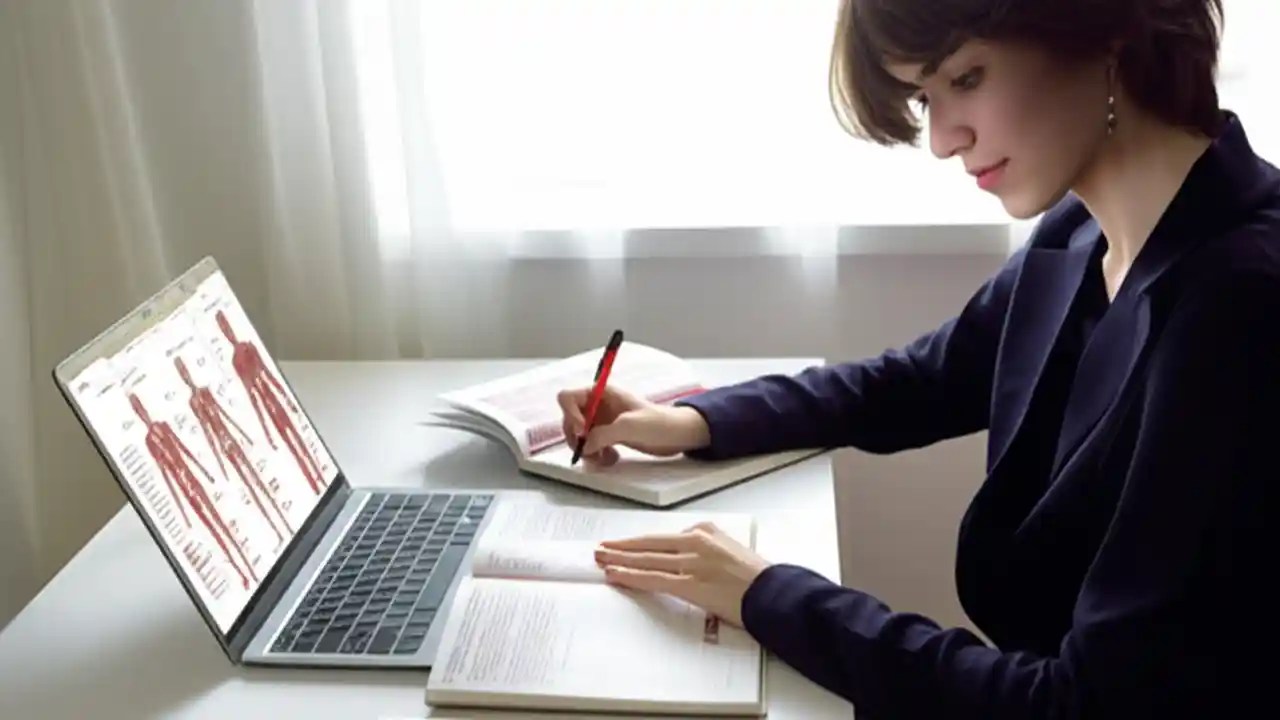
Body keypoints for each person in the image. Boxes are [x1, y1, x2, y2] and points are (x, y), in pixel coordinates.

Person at [557, 0, 1277, 716]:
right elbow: (917, 381)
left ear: (1103, 28)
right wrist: (691, 422)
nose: (941, 139)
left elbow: (1082, 705)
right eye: (924, 96)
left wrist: (769, 593)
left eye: (966, 78)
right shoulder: (1083, 231)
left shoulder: (1240, 305)